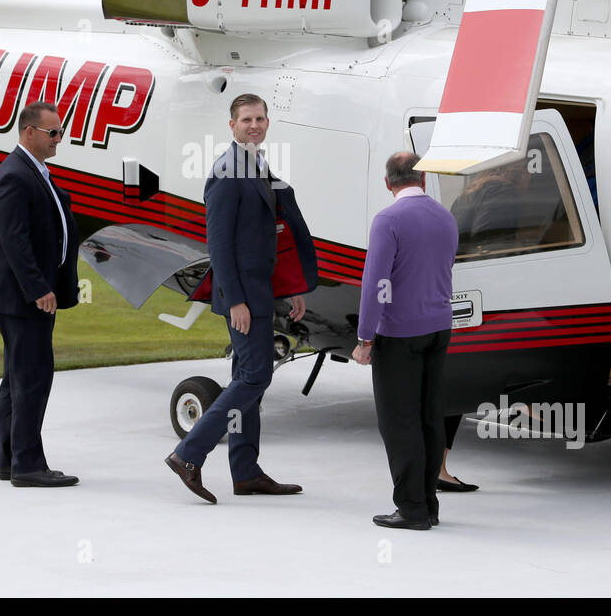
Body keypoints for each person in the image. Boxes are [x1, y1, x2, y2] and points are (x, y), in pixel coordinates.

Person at [165, 94, 318, 503]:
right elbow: (220, 246)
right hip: (243, 297)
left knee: (247, 379)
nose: (254, 125)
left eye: (260, 118)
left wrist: (292, 289)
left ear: (268, 123)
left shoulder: (256, 165)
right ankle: (188, 454)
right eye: (246, 119)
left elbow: (272, 236)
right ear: (231, 125)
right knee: (254, 377)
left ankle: (246, 472)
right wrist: (235, 302)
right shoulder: (226, 173)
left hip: (261, 291)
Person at [0, 101, 82, 487]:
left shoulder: (32, 170)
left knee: (18, 378)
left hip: (27, 296)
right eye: (53, 133)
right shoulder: (15, 176)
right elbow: (14, 243)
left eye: (61, 132)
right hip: (24, 298)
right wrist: (38, 289)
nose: (60, 138)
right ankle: (28, 465)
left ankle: (10, 460)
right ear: (29, 132)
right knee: (32, 377)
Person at [353, 152, 459, 530]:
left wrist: (365, 336)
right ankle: (428, 504)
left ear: (388, 183)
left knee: (399, 421)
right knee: (429, 416)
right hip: (439, 326)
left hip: (400, 333)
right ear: (424, 179)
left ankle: (411, 508)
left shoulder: (388, 220)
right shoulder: (445, 217)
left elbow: (376, 283)